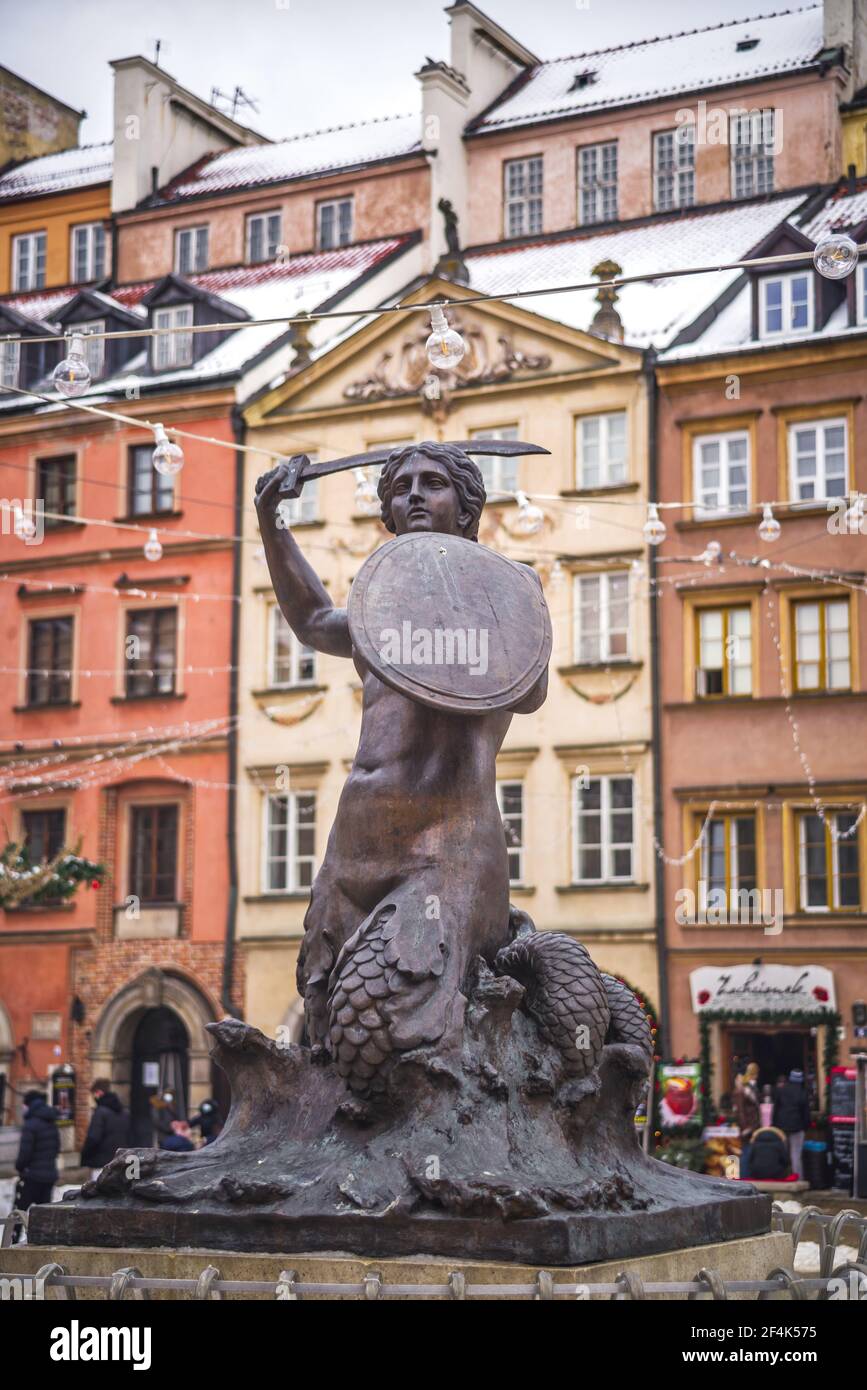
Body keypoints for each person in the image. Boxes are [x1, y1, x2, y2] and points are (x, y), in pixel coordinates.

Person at [255, 443, 547, 1103]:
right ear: (385, 508)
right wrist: (272, 522)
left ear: (465, 505)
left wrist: (456, 607)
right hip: (357, 836)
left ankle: (446, 1174)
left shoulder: (508, 587)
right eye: (401, 486)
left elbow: (528, 690)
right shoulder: (380, 603)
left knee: (419, 1022)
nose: (414, 495)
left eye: (434, 484)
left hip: (446, 837)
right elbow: (308, 621)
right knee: (326, 1012)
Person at [14, 1090, 60, 1240]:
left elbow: (25, 1153)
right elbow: (57, 1148)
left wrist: (20, 1167)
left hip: (31, 1176)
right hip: (49, 1176)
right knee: (44, 1214)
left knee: (19, 1212)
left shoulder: (31, 1124)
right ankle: (41, 1241)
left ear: (28, 1105)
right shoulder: (51, 1122)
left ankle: (12, 1241)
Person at [80, 1079, 130, 1178]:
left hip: (101, 1164)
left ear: (98, 1093)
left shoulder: (100, 1112)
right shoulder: (125, 1113)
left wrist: (84, 1155)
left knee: (99, 1192)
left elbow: (93, 1137)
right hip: (121, 1163)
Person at [773, 1068, 811, 1178]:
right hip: (797, 1127)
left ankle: (781, 1177)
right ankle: (798, 1179)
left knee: (782, 1153)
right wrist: (805, 1126)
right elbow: (806, 1113)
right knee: (796, 1155)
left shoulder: (781, 1090)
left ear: (790, 1078)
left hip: (782, 1127)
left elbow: (776, 1109)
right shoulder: (803, 1093)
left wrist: (775, 1124)